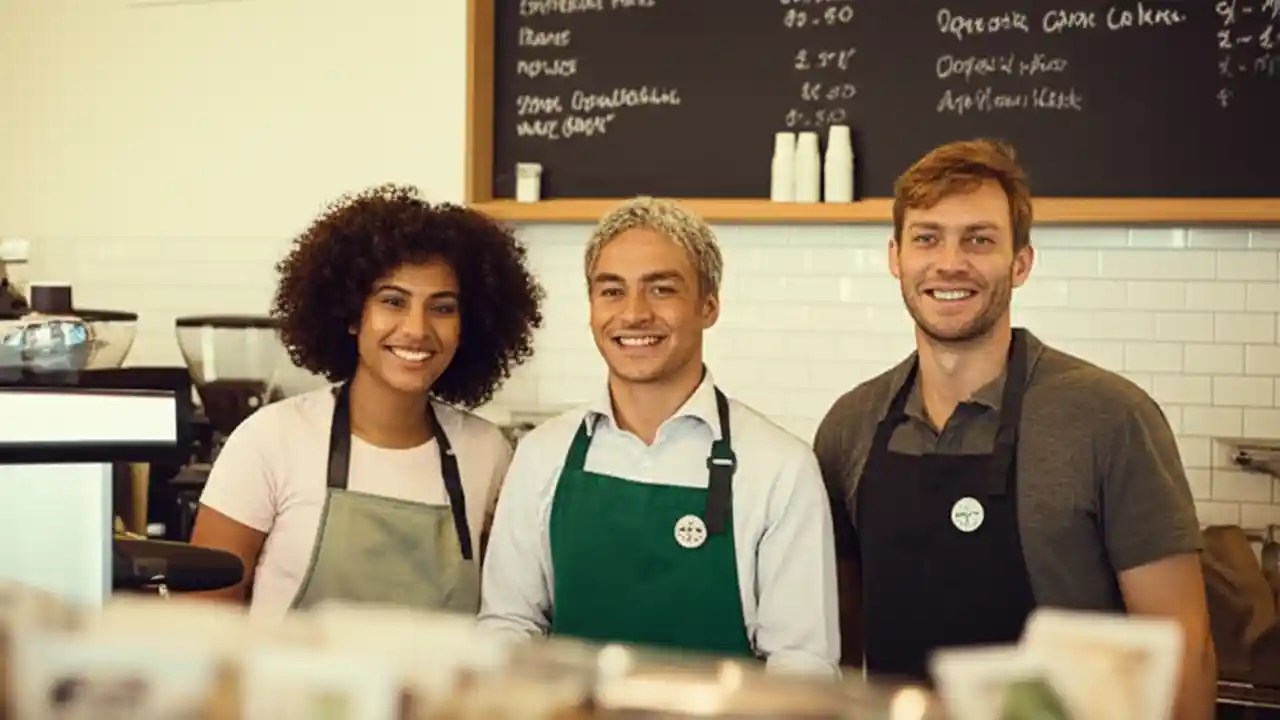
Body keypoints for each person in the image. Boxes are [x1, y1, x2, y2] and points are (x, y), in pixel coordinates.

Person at [813, 139, 1217, 716]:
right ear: (895, 257)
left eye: (979, 239)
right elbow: (843, 639)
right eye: (927, 237)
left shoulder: (1109, 417)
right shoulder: (850, 426)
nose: (950, 262)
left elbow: (1183, 645)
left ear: (1020, 263)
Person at [477, 196, 840, 676]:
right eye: (611, 291)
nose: (633, 314)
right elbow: (508, 626)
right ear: (590, 308)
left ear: (708, 306)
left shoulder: (780, 468)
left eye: (661, 289)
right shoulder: (543, 455)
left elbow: (802, 669)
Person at [188, 183, 544, 620]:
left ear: (468, 326)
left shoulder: (486, 452)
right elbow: (200, 622)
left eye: (443, 308)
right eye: (393, 301)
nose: (416, 329)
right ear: (353, 316)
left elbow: (503, 616)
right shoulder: (270, 440)